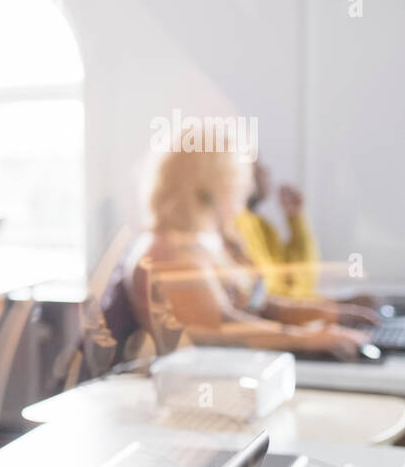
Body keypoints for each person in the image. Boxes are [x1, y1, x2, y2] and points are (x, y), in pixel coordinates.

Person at [124, 132, 378, 360]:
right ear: (207, 190)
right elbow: (221, 327)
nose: (247, 190)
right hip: (190, 390)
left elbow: (261, 305)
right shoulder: (168, 252)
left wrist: (331, 314)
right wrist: (308, 339)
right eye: (239, 179)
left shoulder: (207, 242)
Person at [235, 160, 320, 299]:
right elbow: (264, 296)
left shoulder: (262, 226)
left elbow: (299, 281)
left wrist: (296, 219)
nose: (266, 171)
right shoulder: (234, 224)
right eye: (257, 164)